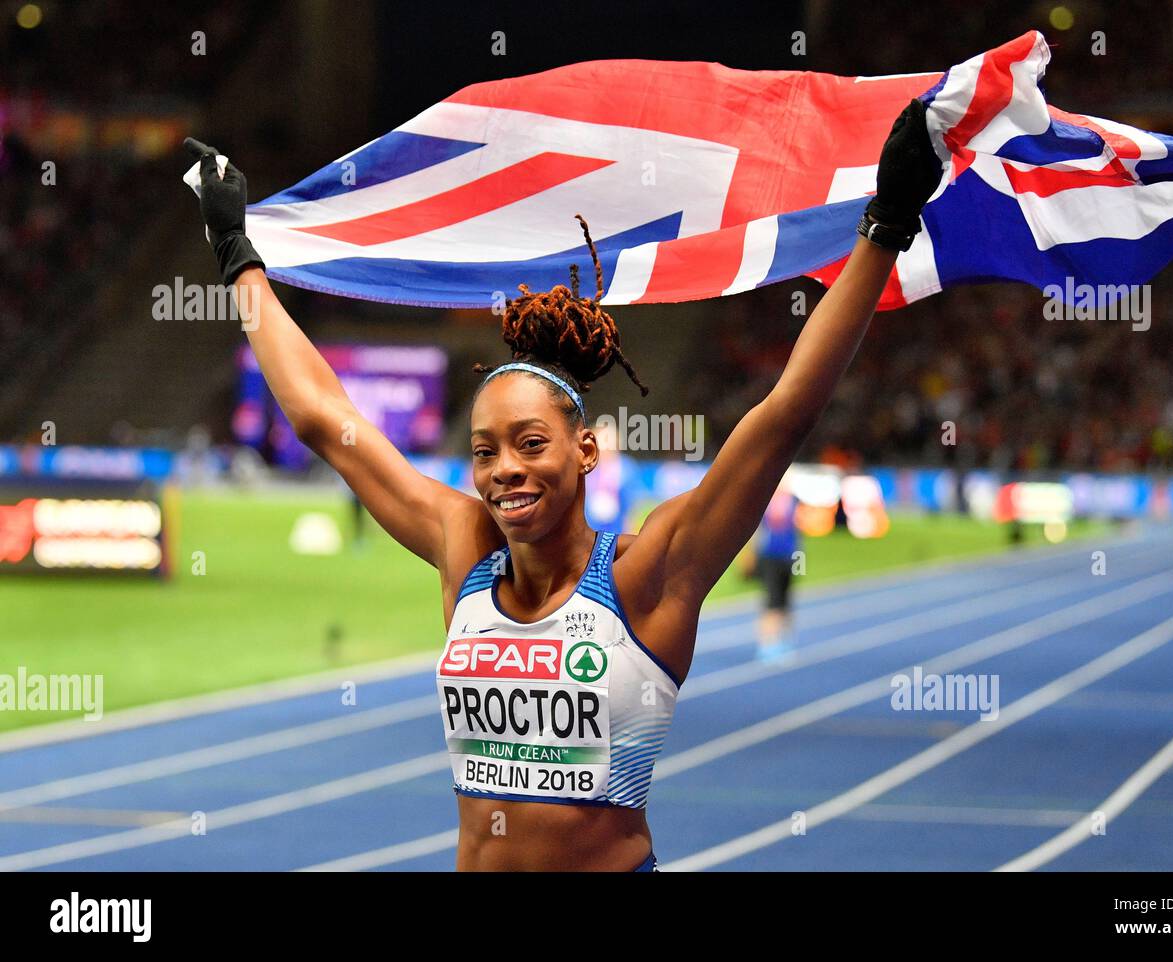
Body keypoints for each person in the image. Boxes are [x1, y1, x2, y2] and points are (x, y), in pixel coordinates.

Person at [181, 96, 941, 872]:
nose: (504, 467)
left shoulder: (650, 574)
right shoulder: (465, 550)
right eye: (484, 451)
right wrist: (237, 253)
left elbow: (783, 416)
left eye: (529, 443)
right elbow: (321, 419)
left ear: (585, 451)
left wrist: (884, 225)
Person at [747, 474, 801, 663]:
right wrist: (751, 557)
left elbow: (798, 531)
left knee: (786, 600)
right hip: (769, 557)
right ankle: (767, 645)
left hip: (790, 557)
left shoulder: (795, 501)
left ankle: (784, 641)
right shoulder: (765, 502)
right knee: (772, 600)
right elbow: (757, 531)